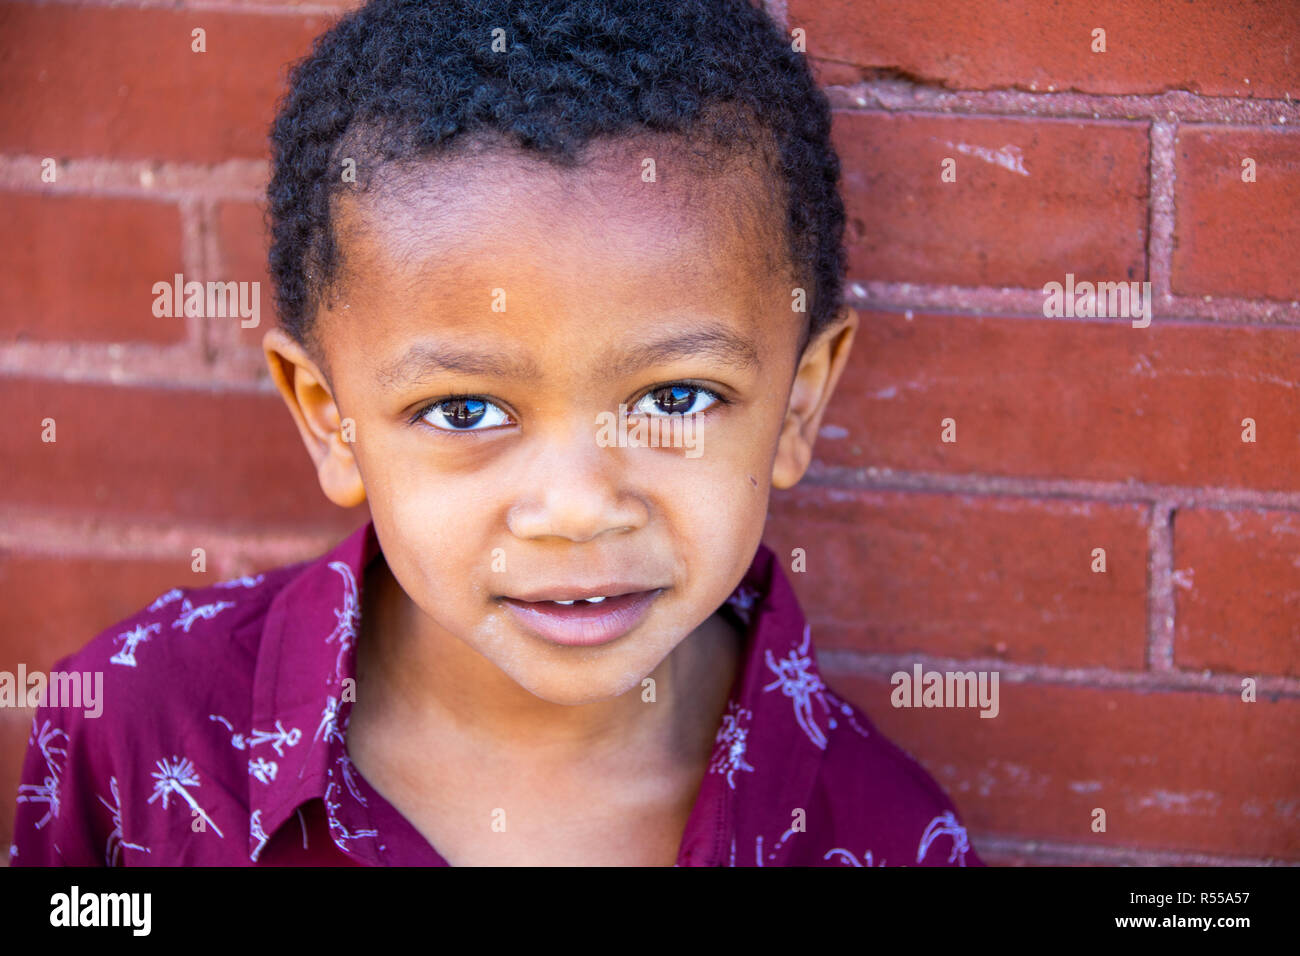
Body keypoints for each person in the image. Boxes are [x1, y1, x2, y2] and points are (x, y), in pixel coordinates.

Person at [11, 0, 981, 867]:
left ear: (798, 404)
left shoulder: (881, 837)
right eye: (465, 410)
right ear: (329, 420)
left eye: (676, 398)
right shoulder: (139, 736)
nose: (575, 506)